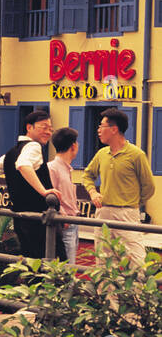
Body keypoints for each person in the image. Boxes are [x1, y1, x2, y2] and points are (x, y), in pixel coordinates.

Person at [76, 108, 155, 269]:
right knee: (103, 261)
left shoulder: (136, 155)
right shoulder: (101, 154)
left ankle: (136, 295)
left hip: (127, 214)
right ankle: (106, 295)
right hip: (103, 213)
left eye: (101, 126)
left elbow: (149, 186)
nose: (98, 130)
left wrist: (132, 202)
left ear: (114, 129)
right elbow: (88, 175)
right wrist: (92, 192)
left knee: (136, 262)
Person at [0, 110, 56, 259]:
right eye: (44, 127)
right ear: (29, 127)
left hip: (21, 220)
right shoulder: (34, 147)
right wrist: (44, 191)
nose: (48, 132)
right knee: (50, 264)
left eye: (50, 129)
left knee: (30, 263)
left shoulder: (12, 152)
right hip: (39, 220)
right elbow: (23, 165)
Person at [47, 127, 81, 263]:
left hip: (72, 223)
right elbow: (50, 195)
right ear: (73, 146)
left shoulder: (66, 168)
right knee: (67, 268)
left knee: (70, 267)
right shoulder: (53, 168)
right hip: (64, 225)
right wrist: (62, 216)